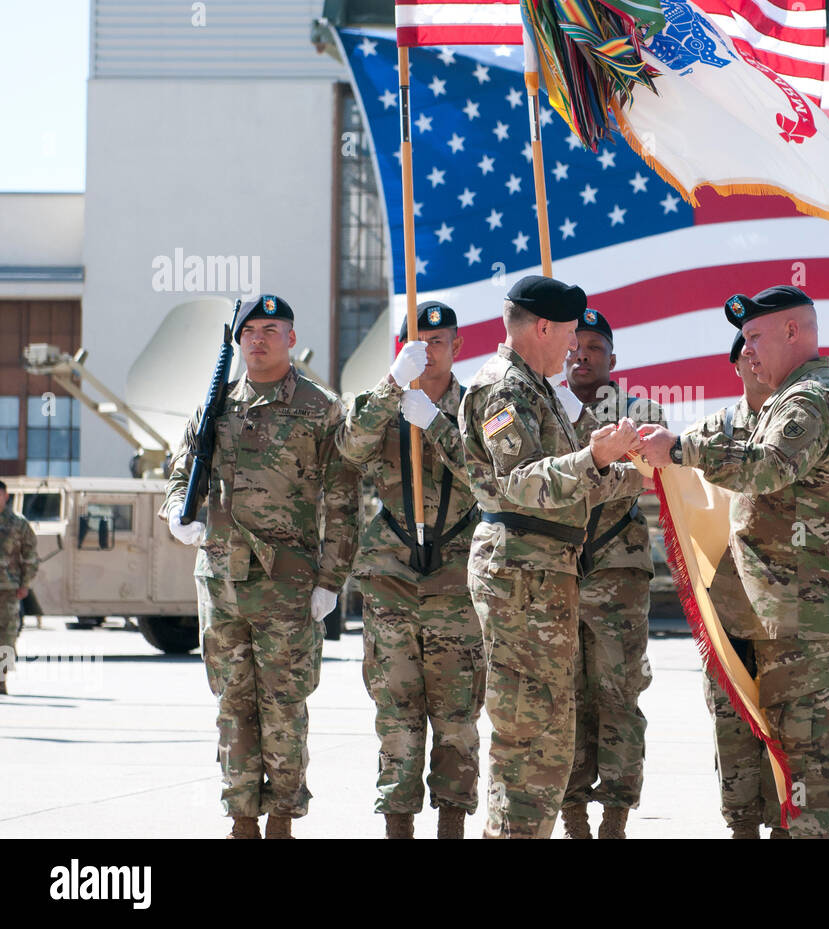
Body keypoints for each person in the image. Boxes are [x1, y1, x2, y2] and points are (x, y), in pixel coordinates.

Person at [640, 286, 829, 839]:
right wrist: (658, 447)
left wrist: (677, 451)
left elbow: (767, 466)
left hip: (811, 616)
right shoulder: (788, 400)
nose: (746, 350)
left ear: (793, 333)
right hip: (806, 613)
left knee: (814, 766)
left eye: (754, 337)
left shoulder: (810, 401)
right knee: (822, 759)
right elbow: (732, 439)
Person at [162, 295, 357, 839]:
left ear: (291, 338)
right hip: (221, 582)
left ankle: (282, 821)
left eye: (272, 329)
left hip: (288, 585)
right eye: (249, 331)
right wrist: (177, 515)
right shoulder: (215, 405)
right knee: (232, 707)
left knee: (284, 708)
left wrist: (331, 581)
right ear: (237, 340)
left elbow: (343, 503)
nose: (259, 339)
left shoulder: (322, 408)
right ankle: (241, 820)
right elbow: (181, 474)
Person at [458, 275, 644, 839]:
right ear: (542, 327)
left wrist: (631, 471)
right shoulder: (503, 391)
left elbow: (572, 486)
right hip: (519, 576)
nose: (572, 347)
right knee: (528, 736)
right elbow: (521, 482)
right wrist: (595, 455)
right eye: (567, 333)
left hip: (545, 576)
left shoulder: (537, 389)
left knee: (550, 737)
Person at [336, 301, 484, 839]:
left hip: (458, 581)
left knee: (457, 716)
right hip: (392, 579)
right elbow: (350, 449)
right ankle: (397, 826)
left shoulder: (479, 406)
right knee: (395, 712)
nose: (429, 349)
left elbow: (489, 475)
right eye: (418, 340)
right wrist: (390, 390)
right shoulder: (382, 401)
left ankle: (451, 826)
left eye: (440, 340)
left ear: (458, 346)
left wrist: (440, 426)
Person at [559, 308, 665, 839]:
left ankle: (615, 816)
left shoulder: (637, 412)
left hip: (616, 572)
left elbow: (639, 475)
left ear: (612, 359)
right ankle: (572, 812)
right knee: (564, 695)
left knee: (619, 694)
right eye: (575, 345)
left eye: (594, 347)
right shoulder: (543, 408)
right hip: (554, 571)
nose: (582, 354)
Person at [693, 331, 782, 839]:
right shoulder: (711, 432)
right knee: (733, 733)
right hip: (728, 614)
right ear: (734, 366)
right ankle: (743, 827)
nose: (754, 361)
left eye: (760, 351)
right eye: (744, 355)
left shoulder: (801, 425)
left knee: (790, 735)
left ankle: (784, 828)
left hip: (788, 615)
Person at [0, 479, 39, 695]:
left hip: (9, 589)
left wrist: (25, 584)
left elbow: (31, 556)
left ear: (6, 496)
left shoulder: (18, 524)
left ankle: (1, 678)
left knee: (7, 635)